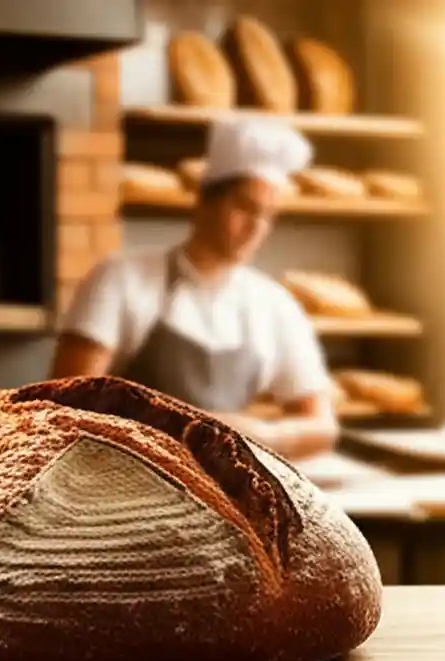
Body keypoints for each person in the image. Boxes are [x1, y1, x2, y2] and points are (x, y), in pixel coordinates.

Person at [50, 118, 337, 459]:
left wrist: (262, 434)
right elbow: (64, 406)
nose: (255, 228)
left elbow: (321, 427)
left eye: (268, 215)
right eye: (245, 207)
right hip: (125, 481)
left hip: (228, 490)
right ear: (204, 200)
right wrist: (179, 431)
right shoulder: (120, 279)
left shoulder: (274, 306)